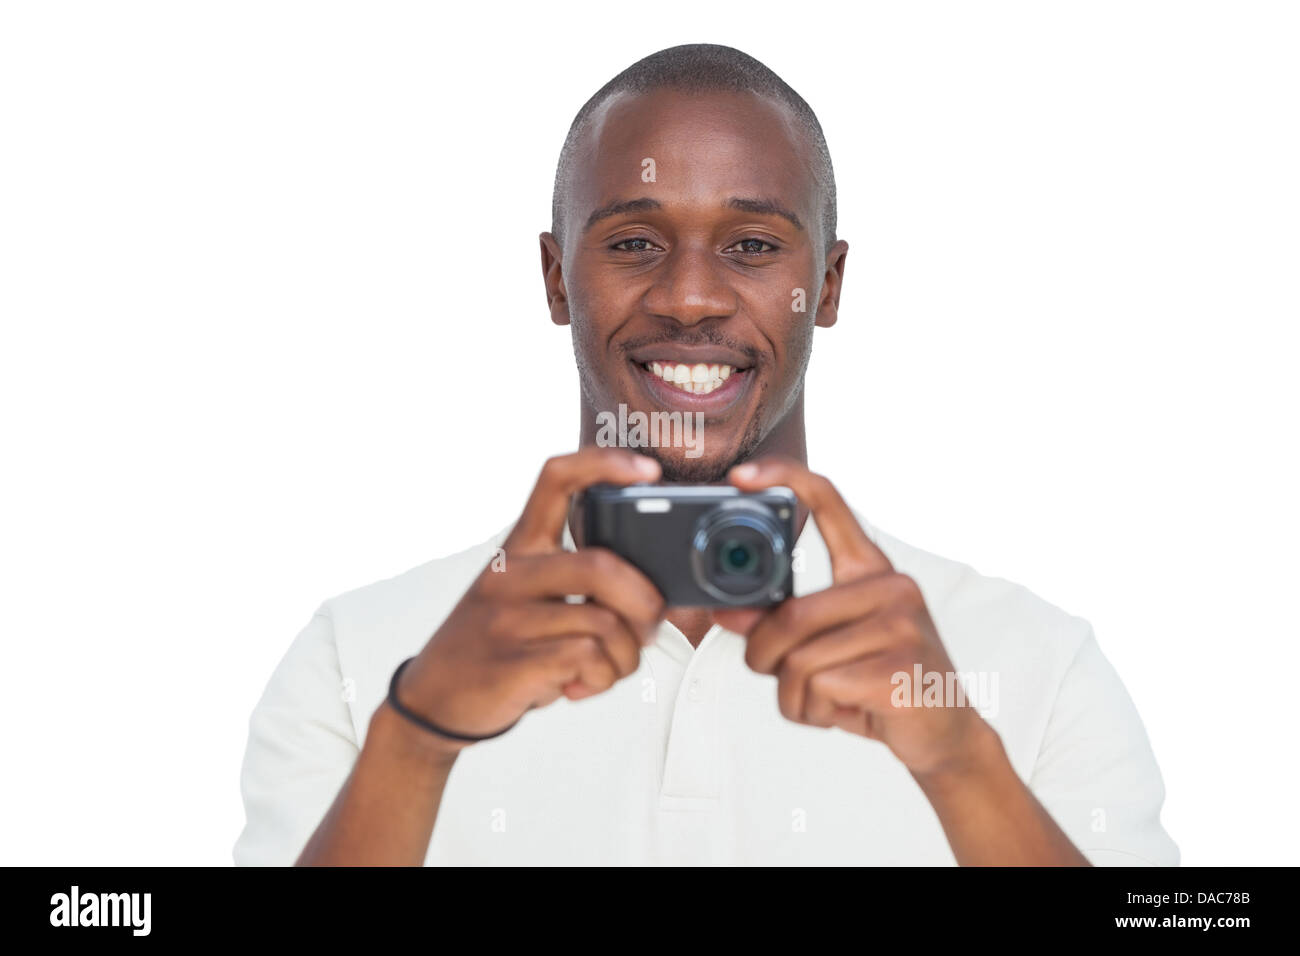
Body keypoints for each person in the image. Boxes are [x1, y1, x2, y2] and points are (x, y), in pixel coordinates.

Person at [234, 43, 1178, 866]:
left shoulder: (1035, 666)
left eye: (754, 245)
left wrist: (962, 762)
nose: (690, 298)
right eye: (636, 241)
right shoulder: (361, 661)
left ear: (829, 283)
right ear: (557, 278)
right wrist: (417, 738)